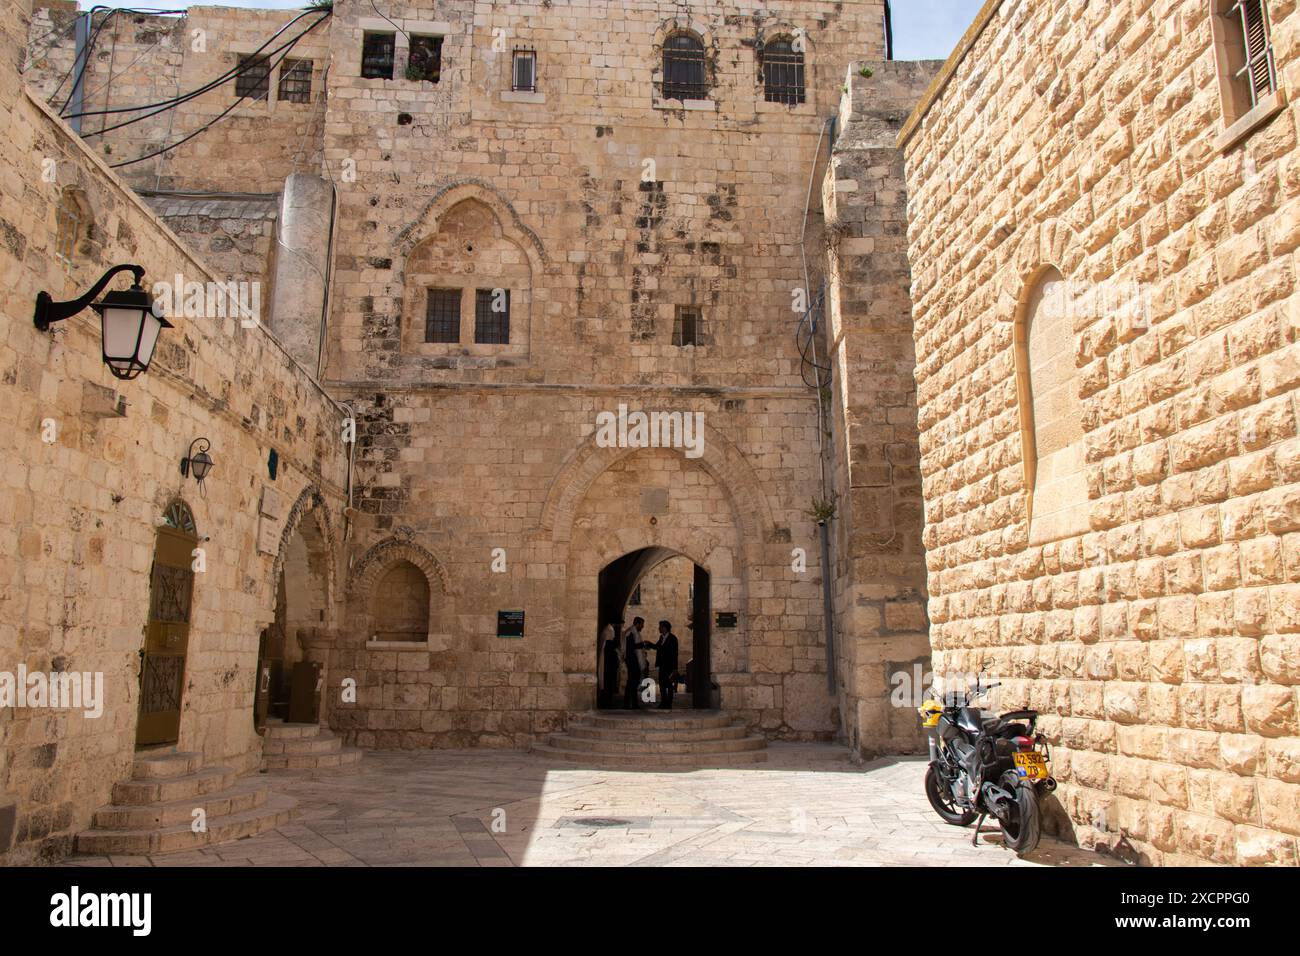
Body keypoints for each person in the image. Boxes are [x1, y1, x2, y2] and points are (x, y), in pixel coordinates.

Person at [643, 620, 680, 710]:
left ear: (664, 628)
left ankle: (669, 703)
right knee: (662, 685)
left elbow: (675, 654)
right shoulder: (661, 638)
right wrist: (650, 644)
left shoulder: (673, 638)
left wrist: (675, 668)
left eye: (660, 627)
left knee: (669, 685)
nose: (658, 628)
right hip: (662, 666)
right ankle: (663, 702)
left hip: (669, 666)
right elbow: (657, 647)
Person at [622, 617, 645, 709]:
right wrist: (642, 644)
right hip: (632, 660)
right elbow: (631, 647)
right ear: (637, 623)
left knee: (632, 682)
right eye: (642, 624)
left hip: (633, 660)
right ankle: (630, 704)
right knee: (632, 682)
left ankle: (630, 703)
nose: (642, 627)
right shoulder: (630, 633)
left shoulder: (633, 632)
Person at [598, 622, 619, 709]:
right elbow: (610, 645)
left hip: (608, 665)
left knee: (607, 683)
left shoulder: (607, 629)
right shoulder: (609, 630)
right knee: (607, 684)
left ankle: (607, 702)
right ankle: (606, 703)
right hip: (608, 666)